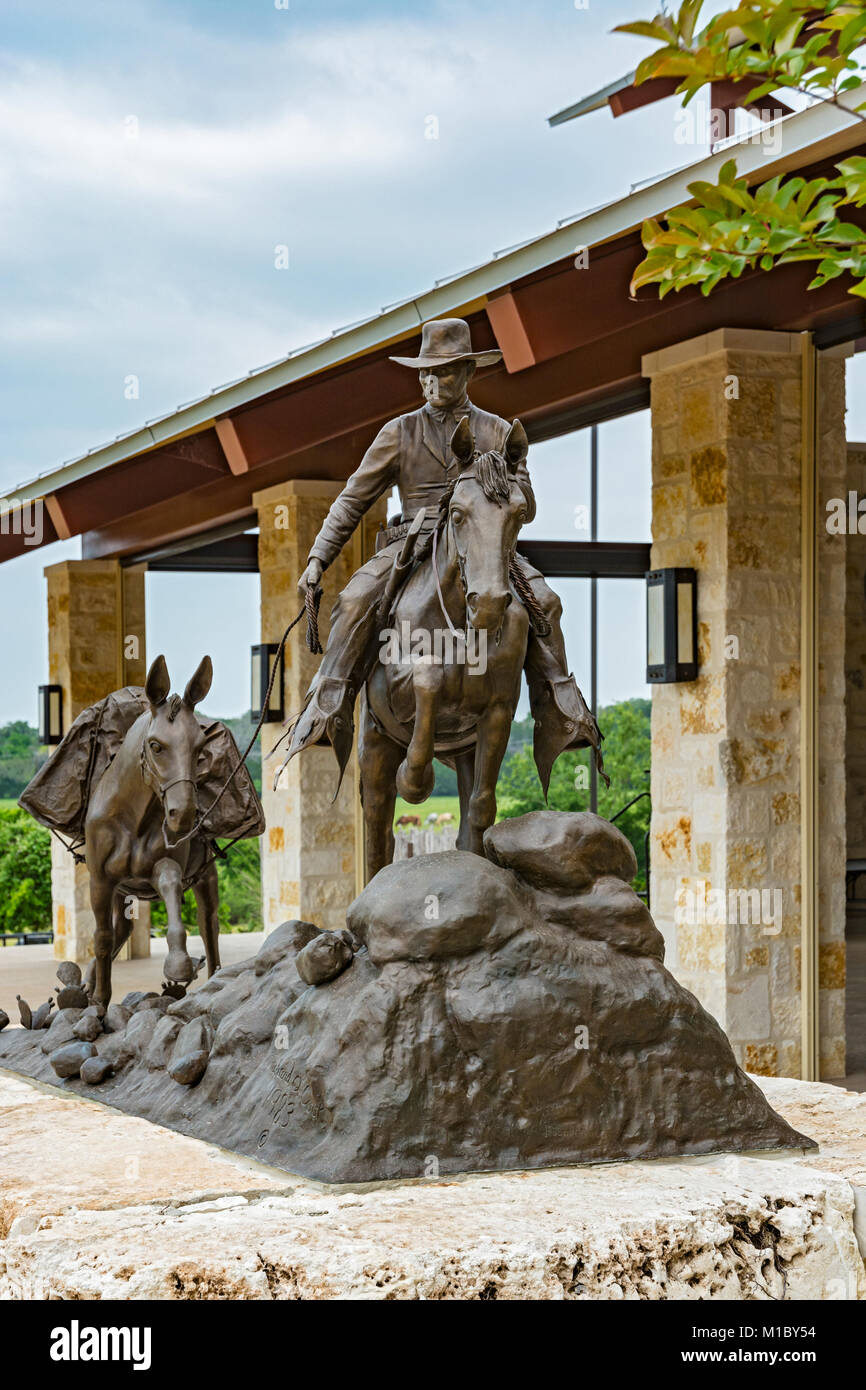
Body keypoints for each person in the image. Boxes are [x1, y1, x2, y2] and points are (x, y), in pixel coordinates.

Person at [285, 317, 604, 794]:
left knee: (547, 602)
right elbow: (353, 499)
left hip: (482, 544)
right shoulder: (399, 432)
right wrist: (316, 559)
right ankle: (328, 705)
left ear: (469, 373)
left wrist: (504, 476)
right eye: (425, 374)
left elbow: (528, 508)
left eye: (446, 372)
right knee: (353, 602)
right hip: (414, 543)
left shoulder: (497, 430)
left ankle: (559, 709)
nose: (433, 382)